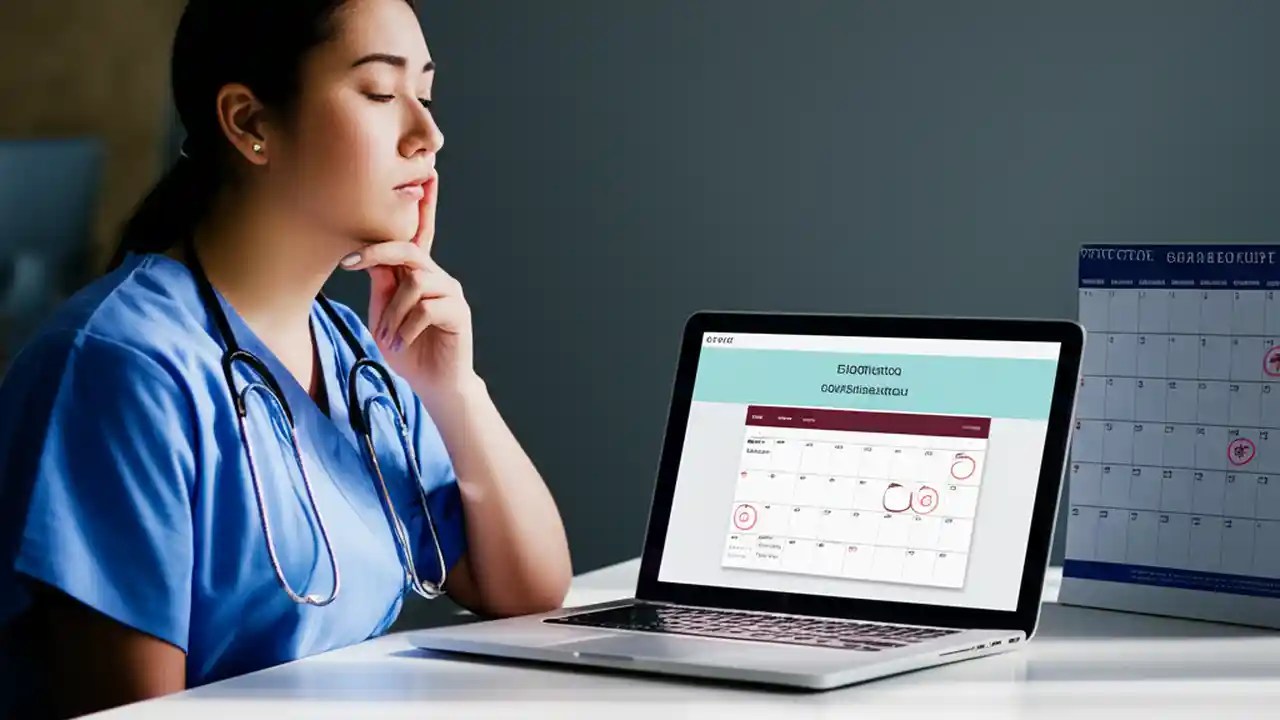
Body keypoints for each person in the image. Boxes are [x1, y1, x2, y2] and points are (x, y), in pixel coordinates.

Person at [0, 0, 572, 716]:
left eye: (424, 95)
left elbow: (525, 589)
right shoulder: (124, 367)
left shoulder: (355, 354)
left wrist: (455, 389)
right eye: (381, 94)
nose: (429, 134)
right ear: (248, 122)